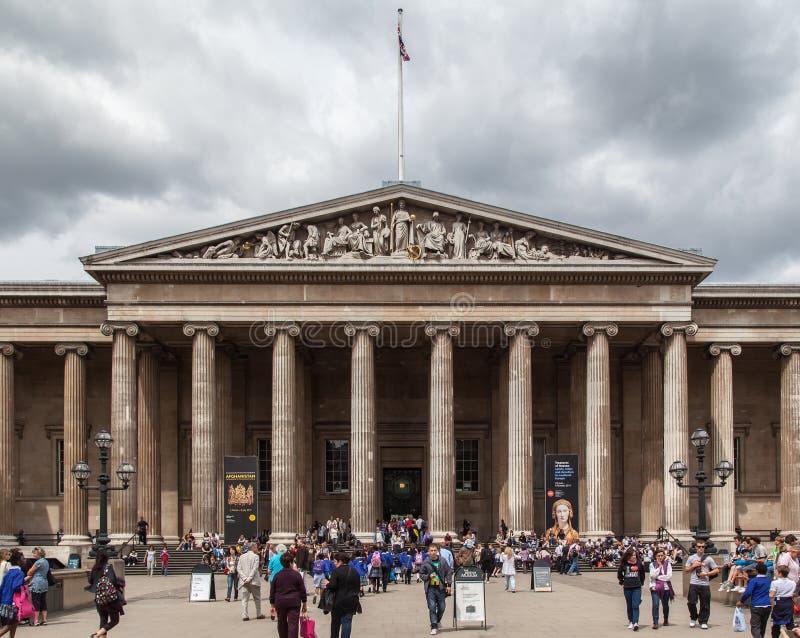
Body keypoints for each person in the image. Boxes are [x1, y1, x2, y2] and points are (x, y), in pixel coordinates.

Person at [86, 550, 125, 637]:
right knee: (115, 620)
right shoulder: (108, 567)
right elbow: (113, 581)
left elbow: (91, 581)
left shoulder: (95, 568)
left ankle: (99, 635)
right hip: (110, 599)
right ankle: (97, 635)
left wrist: (88, 573)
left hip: (99, 599)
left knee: (103, 620)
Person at [269, 552, 306, 638]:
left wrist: (272, 604)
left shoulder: (277, 575)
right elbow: (302, 590)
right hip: (294, 602)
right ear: (290, 563)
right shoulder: (296, 575)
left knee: (281, 623)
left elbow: (272, 591)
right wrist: (304, 603)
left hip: (280, 602)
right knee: (293, 624)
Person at [419, 544, 452, 636]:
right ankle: (434, 626)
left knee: (442, 607)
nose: (433, 552)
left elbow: (448, 572)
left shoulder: (442, 561)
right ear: (428, 552)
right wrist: (428, 576)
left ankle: (437, 621)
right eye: (431, 550)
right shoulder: (426, 562)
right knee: (432, 607)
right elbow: (421, 574)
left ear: (437, 551)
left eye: (435, 550)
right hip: (430, 588)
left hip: (441, 588)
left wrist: (449, 585)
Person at [684, 541, 719, 630]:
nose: (701, 548)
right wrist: (694, 566)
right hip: (694, 583)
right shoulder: (691, 558)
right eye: (699, 547)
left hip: (704, 584)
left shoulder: (709, 558)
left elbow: (716, 570)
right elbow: (686, 570)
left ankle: (703, 621)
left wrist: (706, 574)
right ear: (696, 547)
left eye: (703, 547)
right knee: (691, 602)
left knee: (705, 604)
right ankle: (693, 617)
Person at [326, 552, 361, 638]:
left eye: (335, 561)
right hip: (352, 600)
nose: (334, 564)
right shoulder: (354, 571)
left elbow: (333, 586)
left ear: (340, 561)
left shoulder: (336, 571)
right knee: (347, 622)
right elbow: (358, 587)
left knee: (335, 624)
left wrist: (327, 583)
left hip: (338, 601)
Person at [737, 561, 771, 638]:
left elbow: (748, 592)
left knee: (755, 627)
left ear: (756, 571)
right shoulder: (768, 580)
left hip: (756, 605)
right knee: (762, 626)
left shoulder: (754, 581)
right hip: (767, 605)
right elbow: (760, 583)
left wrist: (741, 601)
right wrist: (748, 580)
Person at [617, 546, 646, 631]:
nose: (634, 556)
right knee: (629, 605)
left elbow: (642, 574)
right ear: (628, 556)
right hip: (627, 587)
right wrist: (622, 582)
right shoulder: (624, 564)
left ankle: (636, 622)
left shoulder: (639, 563)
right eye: (632, 555)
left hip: (637, 587)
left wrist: (641, 583)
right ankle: (631, 621)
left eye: (635, 555)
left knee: (635, 605)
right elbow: (619, 573)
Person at [0, 549, 25, 638]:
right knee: (9, 625)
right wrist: (25, 587)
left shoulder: (9, 573)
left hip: (5, 601)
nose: (24, 560)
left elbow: (2, 588)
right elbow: (16, 587)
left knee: (14, 623)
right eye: (23, 559)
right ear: (18, 561)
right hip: (13, 602)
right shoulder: (19, 573)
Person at [237, 543, 265, 621]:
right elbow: (255, 568)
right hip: (254, 581)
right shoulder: (256, 556)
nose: (257, 549)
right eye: (256, 548)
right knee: (257, 598)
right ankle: (258, 614)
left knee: (244, 599)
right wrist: (249, 578)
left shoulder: (242, 556)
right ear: (253, 548)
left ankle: (245, 615)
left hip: (244, 581)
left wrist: (244, 578)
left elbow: (239, 568)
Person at [649, 548, 673, 629]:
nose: (660, 557)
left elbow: (669, 576)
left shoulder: (668, 564)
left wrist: (658, 577)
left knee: (665, 605)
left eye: (662, 555)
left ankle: (666, 619)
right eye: (658, 556)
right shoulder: (652, 564)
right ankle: (655, 622)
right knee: (655, 605)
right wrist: (659, 567)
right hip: (655, 587)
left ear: (664, 556)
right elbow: (652, 576)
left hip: (666, 587)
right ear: (655, 556)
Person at [25, 547, 48, 626]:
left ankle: (36, 620)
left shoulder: (38, 562)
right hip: (44, 582)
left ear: (39, 554)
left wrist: (29, 573)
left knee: (36, 602)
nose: (33, 555)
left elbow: (29, 572)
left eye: (34, 553)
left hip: (37, 583)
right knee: (43, 602)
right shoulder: (46, 561)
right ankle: (44, 620)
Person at [769, 564, 795, 638]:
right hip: (789, 602)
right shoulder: (793, 583)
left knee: (776, 623)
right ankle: (790, 636)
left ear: (780, 573)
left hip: (779, 603)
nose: (776, 573)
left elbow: (771, 595)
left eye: (777, 572)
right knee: (789, 622)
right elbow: (793, 593)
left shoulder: (775, 583)